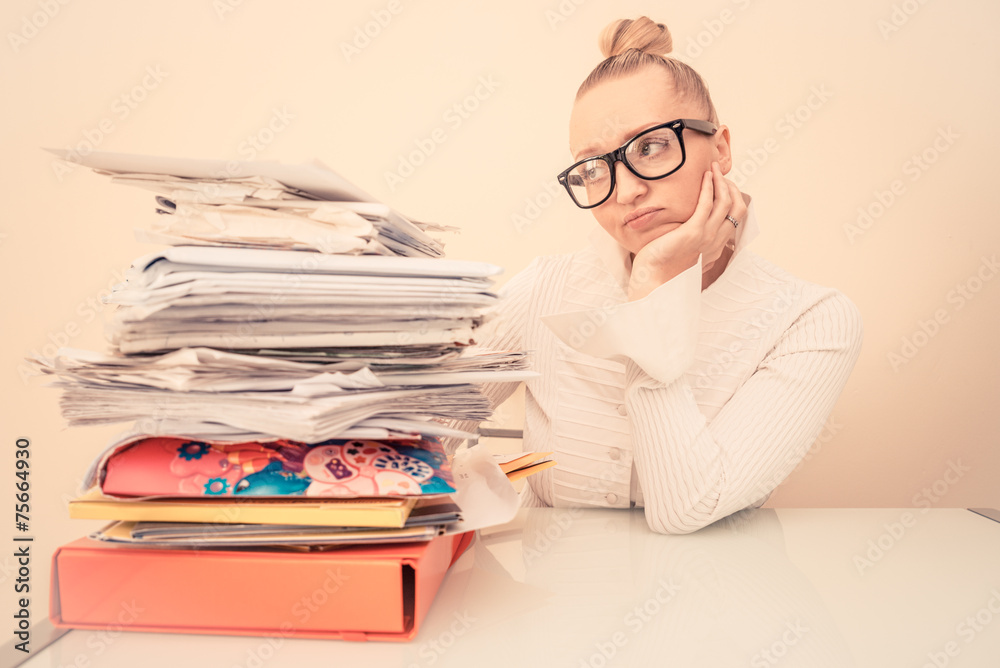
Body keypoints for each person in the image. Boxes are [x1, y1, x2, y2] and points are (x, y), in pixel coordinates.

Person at [451, 16, 863, 534]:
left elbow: (686, 509)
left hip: (718, 604)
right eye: (594, 168)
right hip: (547, 598)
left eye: (649, 147)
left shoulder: (811, 321)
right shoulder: (542, 291)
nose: (624, 193)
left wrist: (654, 293)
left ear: (722, 148)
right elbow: (411, 432)